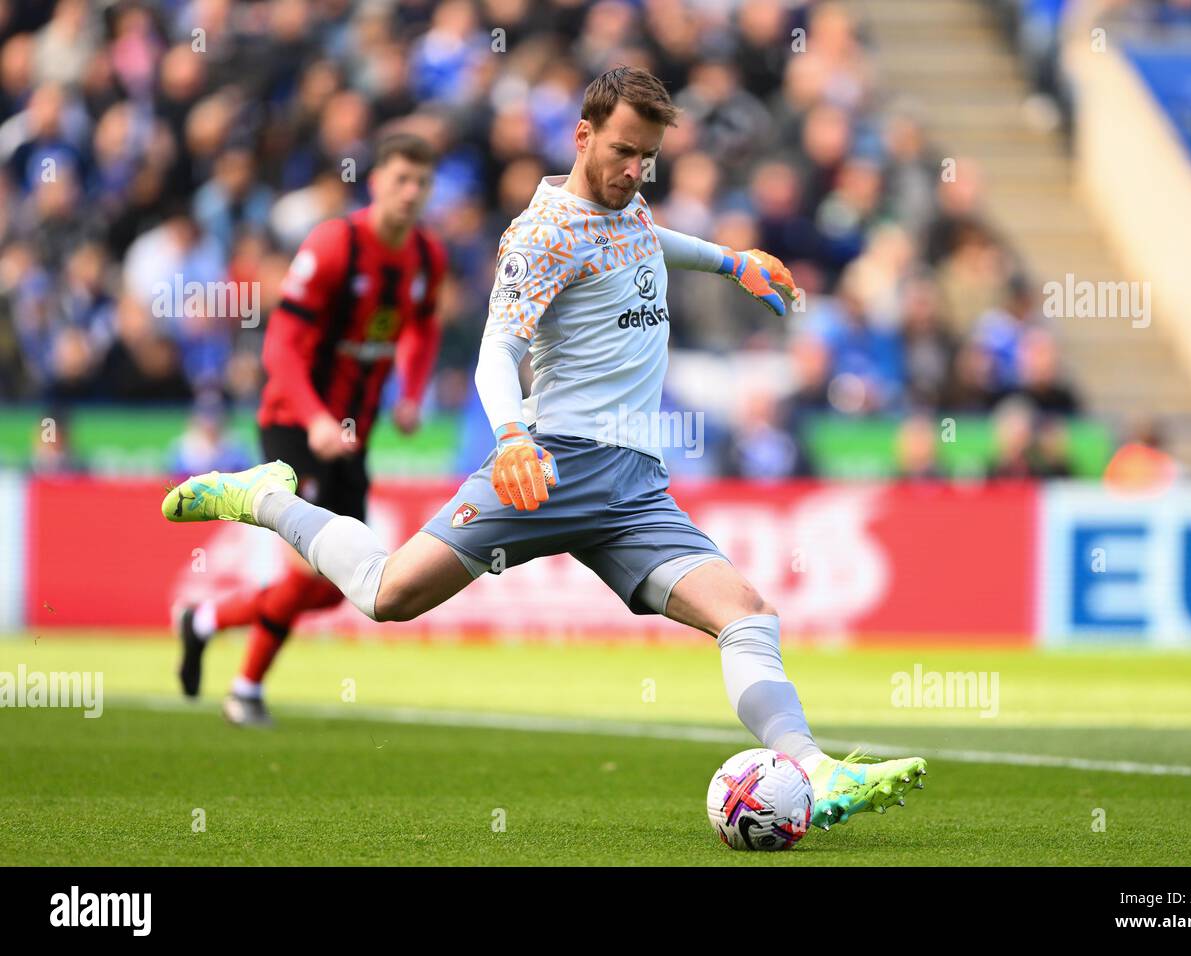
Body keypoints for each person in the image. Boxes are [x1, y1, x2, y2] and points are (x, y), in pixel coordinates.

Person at [162, 68, 926, 831]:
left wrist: (731, 261)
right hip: (551, 466)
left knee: (749, 616)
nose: (635, 172)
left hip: (632, 489)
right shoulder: (542, 234)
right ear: (583, 136)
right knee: (385, 594)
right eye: (624, 152)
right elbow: (496, 351)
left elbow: (642, 239)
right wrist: (511, 437)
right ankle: (263, 495)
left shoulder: (625, 204)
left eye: (648, 159)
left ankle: (814, 769)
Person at [174, 132, 446, 726]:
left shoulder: (426, 258)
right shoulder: (333, 246)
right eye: (401, 179)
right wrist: (318, 420)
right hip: (295, 426)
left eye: (422, 183)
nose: (411, 192)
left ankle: (205, 621)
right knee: (314, 570)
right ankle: (246, 690)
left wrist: (412, 394)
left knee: (339, 584)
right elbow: (281, 346)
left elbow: (423, 329)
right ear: (375, 182)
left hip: (354, 435)